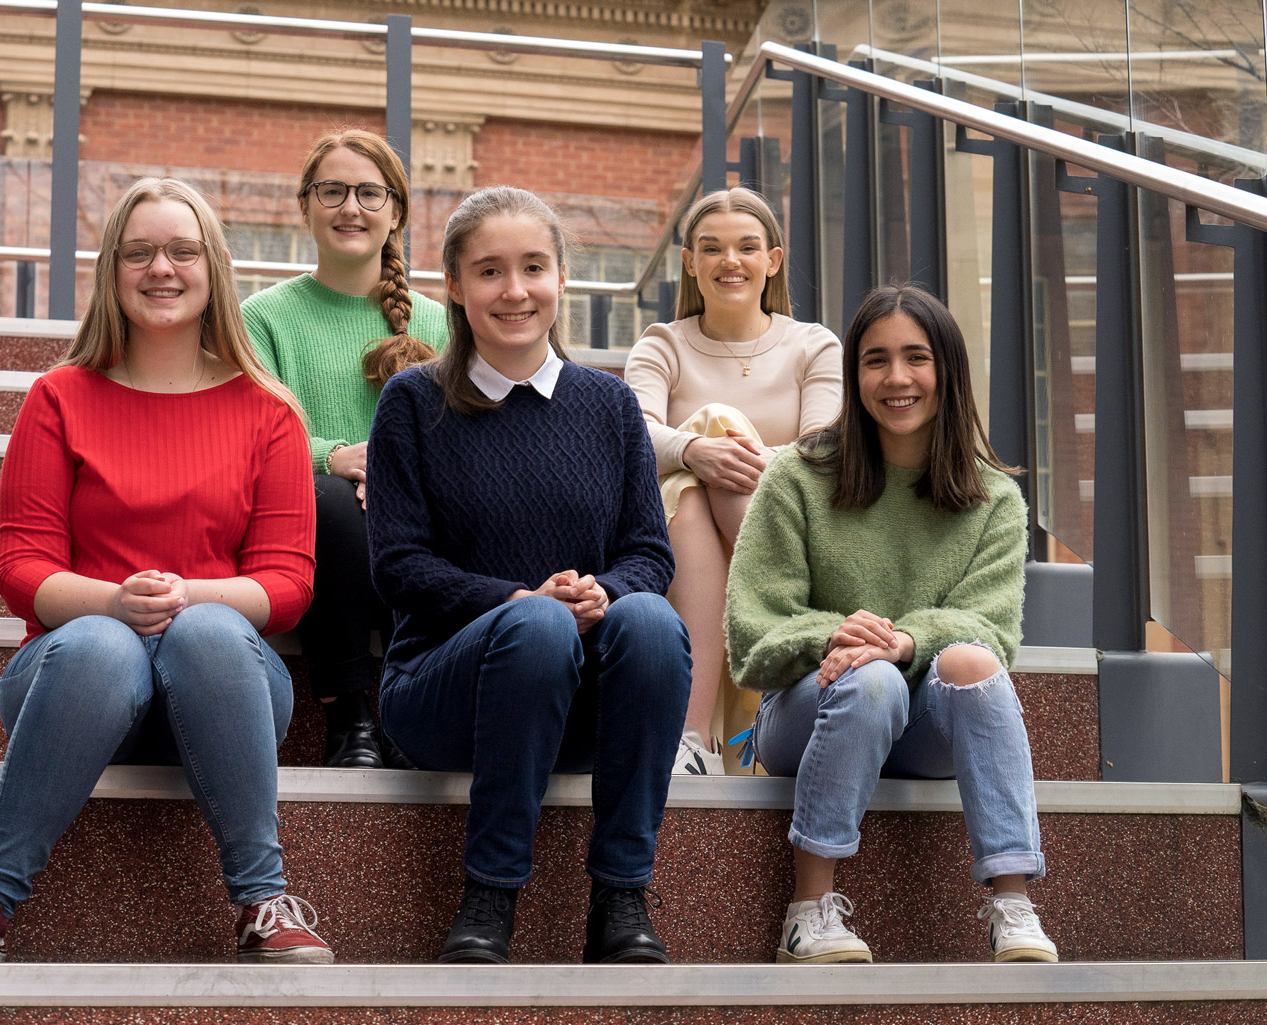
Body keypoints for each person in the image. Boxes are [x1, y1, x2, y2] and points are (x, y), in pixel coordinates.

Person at [0, 177, 333, 965]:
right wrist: (113, 601)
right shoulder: (58, 397)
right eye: (138, 252)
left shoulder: (267, 409)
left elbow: (286, 586)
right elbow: (22, 568)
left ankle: (261, 899)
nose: (161, 269)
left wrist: (181, 597)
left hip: (220, 691)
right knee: (104, 643)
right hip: (71, 681)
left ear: (214, 269)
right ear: (112, 271)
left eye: (182, 250)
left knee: (209, 628)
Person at [366, 186, 690, 965]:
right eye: (489, 272)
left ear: (561, 277)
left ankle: (620, 897)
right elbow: (400, 567)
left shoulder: (610, 406)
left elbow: (651, 553)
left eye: (533, 268)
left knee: (650, 619)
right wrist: (520, 602)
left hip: (578, 706)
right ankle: (490, 893)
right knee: (538, 625)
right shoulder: (412, 404)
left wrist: (603, 593)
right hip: (444, 694)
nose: (514, 291)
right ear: (452, 286)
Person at [726, 283, 1058, 965]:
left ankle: (1011, 903)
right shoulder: (797, 475)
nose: (897, 378)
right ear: (854, 375)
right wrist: (842, 638)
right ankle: (808, 910)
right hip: (809, 711)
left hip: (928, 725)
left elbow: (990, 627)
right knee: (873, 677)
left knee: (972, 664)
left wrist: (907, 639)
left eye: (917, 357)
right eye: (876, 360)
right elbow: (754, 635)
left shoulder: (993, 497)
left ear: (948, 371)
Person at [242, 129, 449, 768]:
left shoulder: (441, 321)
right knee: (329, 500)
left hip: (411, 509)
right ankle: (352, 718)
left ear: (396, 213)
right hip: (315, 511)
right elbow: (251, 430)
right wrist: (335, 457)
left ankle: (420, 707)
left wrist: (396, 472)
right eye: (331, 191)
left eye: (367, 192)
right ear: (306, 207)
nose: (350, 207)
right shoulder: (261, 316)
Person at [625, 187, 840, 776]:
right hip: (679, 529)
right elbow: (633, 434)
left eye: (747, 247)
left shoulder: (813, 344)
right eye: (711, 248)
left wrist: (740, 459)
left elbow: (821, 447)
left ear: (771, 260)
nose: (730, 261)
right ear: (690, 262)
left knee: (723, 442)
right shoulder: (662, 344)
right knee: (694, 479)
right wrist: (697, 450)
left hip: (788, 518)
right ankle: (782, 648)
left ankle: (690, 736)